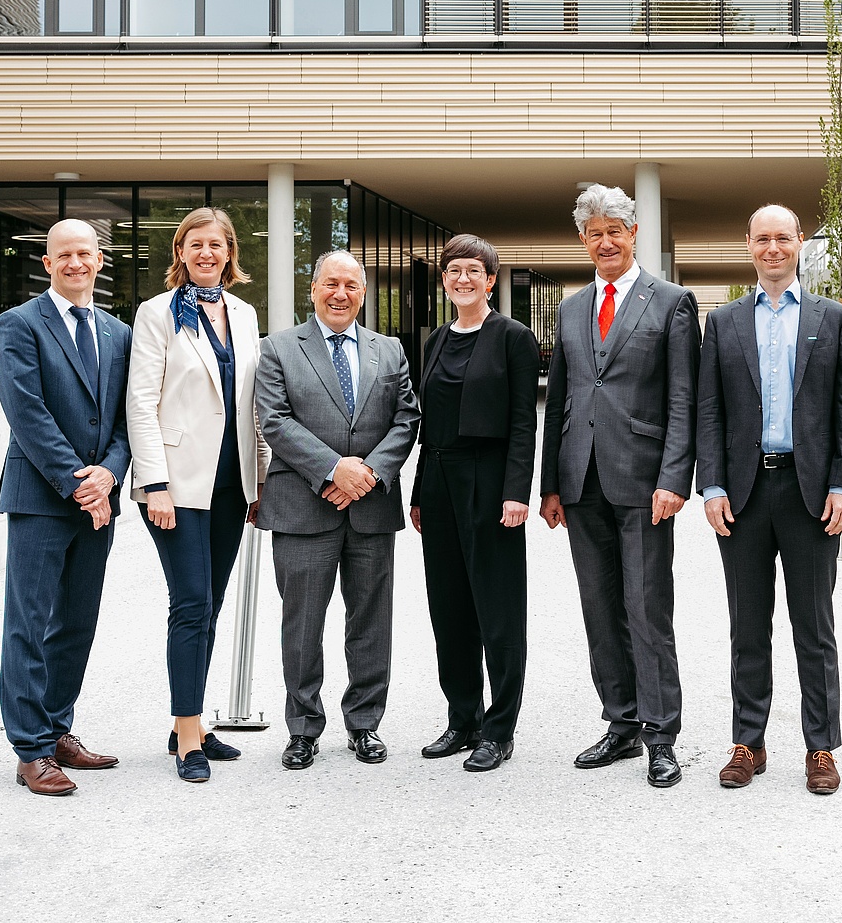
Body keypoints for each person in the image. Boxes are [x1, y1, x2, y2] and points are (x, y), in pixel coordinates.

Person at [696, 205, 842, 795]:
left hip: (810, 491)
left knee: (813, 625)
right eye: (761, 238)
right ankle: (749, 741)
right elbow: (708, 409)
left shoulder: (834, 318)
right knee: (747, 623)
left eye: (782, 238)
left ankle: (821, 748)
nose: (772, 248)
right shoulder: (724, 322)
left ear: (799, 244)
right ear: (748, 245)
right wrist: (711, 485)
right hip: (741, 493)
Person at [539, 184, 700, 789]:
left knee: (646, 608)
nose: (605, 241)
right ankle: (621, 723)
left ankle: (662, 734)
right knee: (600, 609)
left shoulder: (672, 303)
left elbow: (684, 400)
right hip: (582, 482)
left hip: (644, 480)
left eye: (615, 230)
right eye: (593, 233)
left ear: (634, 234)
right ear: (583, 241)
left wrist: (674, 478)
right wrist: (551, 483)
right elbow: (560, 399)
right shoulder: (571, 308)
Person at [254, 249, 420, 770]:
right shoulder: (279, 348)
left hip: (371, 506)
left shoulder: (389, 350)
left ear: (363, 293)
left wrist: (366, 474)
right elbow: (274, 421)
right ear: (313, 289)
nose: (340, 293)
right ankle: (302, 729)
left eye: (351, 285)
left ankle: (364, 724)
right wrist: (333, 470)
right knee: (302, 623)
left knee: (371, 620)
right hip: (303, 506)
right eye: (331, 283)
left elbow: (406, 418)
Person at [0, 218, 133, 797]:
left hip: (97, 499)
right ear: (47, 264)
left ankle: (56, 729)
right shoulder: (20, 324)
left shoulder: (119, 333)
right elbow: (25, 412)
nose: (76, 263)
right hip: (42, 499)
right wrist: (80, 483)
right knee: (29, 623)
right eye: (63, 255)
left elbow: (128, 417)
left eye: (85, 254)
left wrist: (111, 474)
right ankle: (29, 750)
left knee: (76, 622)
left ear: (101, 261)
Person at [125, 207, 269, 783]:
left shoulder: (244, 312)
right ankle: (187, 730)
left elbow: (254, 402)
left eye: (216, 245)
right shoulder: (157, 314)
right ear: (180, 252)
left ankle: (193, 723)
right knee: (189, 604)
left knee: (209, 605)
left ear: (231, 253)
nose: (206, 254)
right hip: (177, 483)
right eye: (196, 245)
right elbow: (141, 400)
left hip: (232, 482)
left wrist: (258, 479)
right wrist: (154, 483)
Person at [411, 234, 540, 773]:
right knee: (449, 607)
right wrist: (419, 492)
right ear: (444, 281)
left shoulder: (513, 337)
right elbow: (426, 425)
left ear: (491, 280)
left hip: (490, 481)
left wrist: (517, 492)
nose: (463, 279)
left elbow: (522, 422)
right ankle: (462, 718)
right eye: (453, 271)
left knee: (498, 608)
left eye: (473, 271)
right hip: (439, 479)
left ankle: (499, 727)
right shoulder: (436, 339)